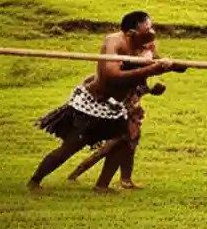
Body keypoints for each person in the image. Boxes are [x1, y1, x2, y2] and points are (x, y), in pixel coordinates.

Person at [28, 11, 181, 193]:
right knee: (71, 146)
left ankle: (102, 185)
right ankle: (35, 181)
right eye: (147, 29)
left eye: (152, 29)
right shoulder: (114, 42)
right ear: (131, 33)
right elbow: (111, 76)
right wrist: (152, 69)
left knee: (125, 139)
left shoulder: (145, 46)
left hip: (116, 107)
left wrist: (175, 65)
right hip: (93, 104)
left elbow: (153, 69)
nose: (151, 33)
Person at [66, 38, 168, 188]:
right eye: (146, 45)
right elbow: (108, 85)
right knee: (111, 146)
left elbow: (142, 86)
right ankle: (77, 174)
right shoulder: (126, 61)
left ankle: (125, 180)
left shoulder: (147, 62)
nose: (150, 48)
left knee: (129, 144)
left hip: (130, 110)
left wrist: (153, 90)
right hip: (116, 111)